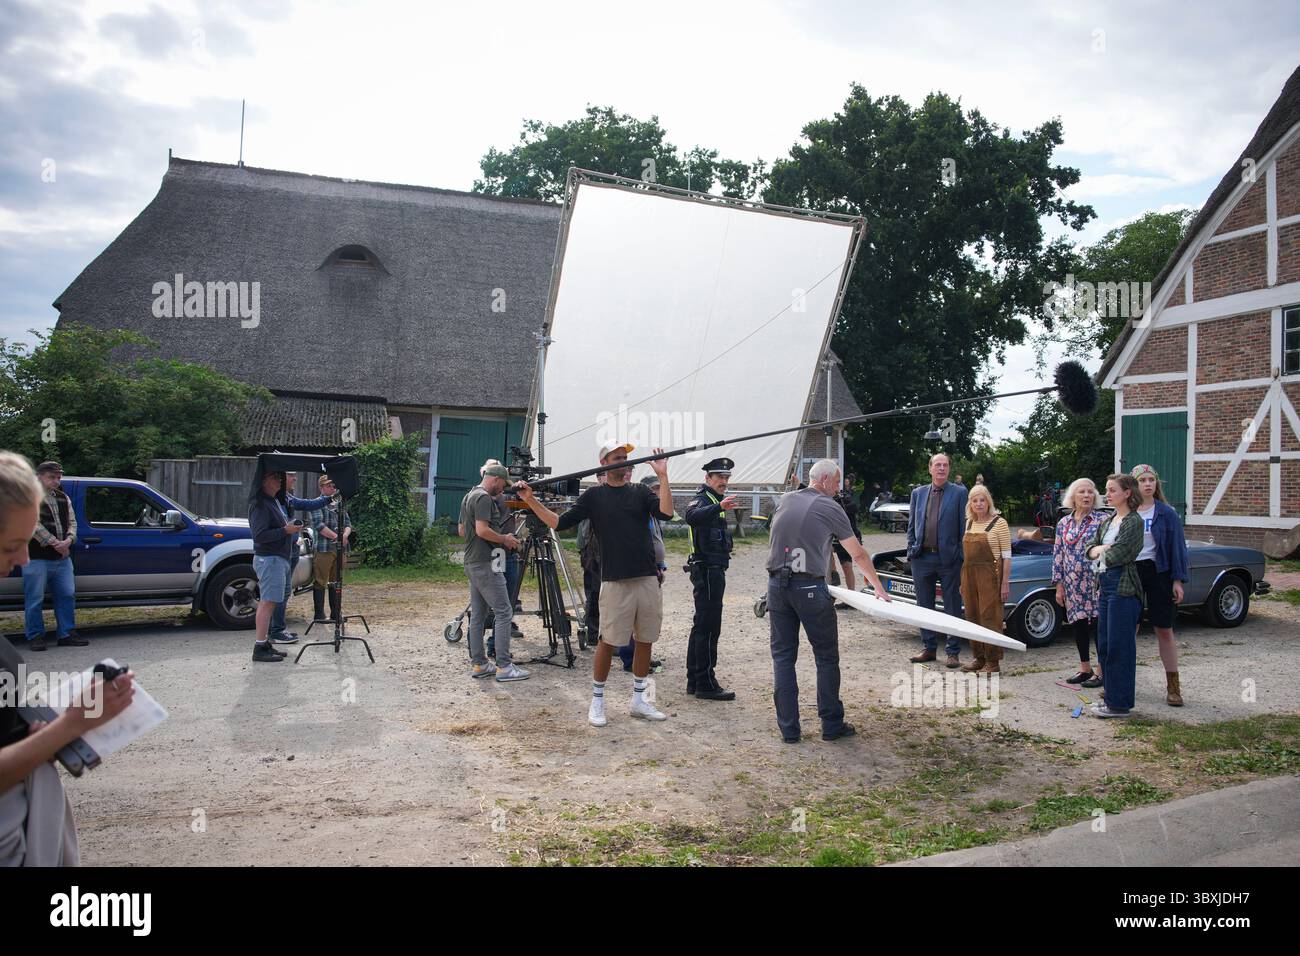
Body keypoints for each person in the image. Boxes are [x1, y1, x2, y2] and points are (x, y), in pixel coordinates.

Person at [1, 451, 135, 865]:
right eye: (13, 545)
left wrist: (41, 729)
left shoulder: (63, 504)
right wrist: (68, 728)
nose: (23, 559)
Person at [515, 442, 674, 727]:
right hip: (614, 581)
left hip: (647, 578)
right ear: (604, 463)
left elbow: (666, 513)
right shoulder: (594, 497)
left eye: (627, 459)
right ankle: (597, 701)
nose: (625, 464)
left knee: (646, 639)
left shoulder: (639, 492)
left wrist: (662, 476)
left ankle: (640, 700)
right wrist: (530, 500)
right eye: (618, 459)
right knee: (608, 641)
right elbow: (558, 522)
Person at [765, 458, 891, 743]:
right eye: (836, 483)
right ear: (823, 481)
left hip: (776, 585)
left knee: (783, 658)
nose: (839, 489)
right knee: (825, 656)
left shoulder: (785, 500)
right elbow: (857, 553)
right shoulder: (829, 506)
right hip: (809, 587)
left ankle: (789, 730)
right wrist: (878, 587)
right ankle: (831, 724)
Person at [459, 461, 529, 682]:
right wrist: (505, 539)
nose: (502, 490)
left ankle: (480, 664)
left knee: (479, 615)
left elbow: (462, 530)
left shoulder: (469, 495)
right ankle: (504, 666)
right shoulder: (483, 498)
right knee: (503, 612)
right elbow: (482, 530)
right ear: (496, 479)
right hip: (485, 563)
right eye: (502, 485)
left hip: (473, 562)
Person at [1130, 464, 1190, 707]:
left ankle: (1173, 686)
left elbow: (1178, 548)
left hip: (1159, 572)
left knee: (1164, 629)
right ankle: (1119, 682)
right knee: (1127, 629)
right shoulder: (1126, 512)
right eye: (1142, 480)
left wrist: (1177, 580)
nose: (1147, 484)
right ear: (1134, 485)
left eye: (1151, 479)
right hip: (1131, 572)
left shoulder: (1167, 513)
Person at [1085, 474, 1144, 718]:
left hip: (1123, 587)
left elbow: (1122, 553)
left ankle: (1120, 704)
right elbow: (1089, 549)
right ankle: (1110, 697)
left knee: (1121, 646)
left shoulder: (1134, 521)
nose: (1107, 495)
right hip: (1106, 585)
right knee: (1106, 644)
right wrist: (1101, 549)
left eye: (1112, 490)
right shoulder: (1108, 521)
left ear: (1127, 492)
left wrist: (1101, 552)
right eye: (1107, 490)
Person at [906, 453, 968, 668]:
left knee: (952, 604)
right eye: (937, 465)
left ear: (949, 469)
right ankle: (929, 648)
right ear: (930, 468)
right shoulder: (918, 493)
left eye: (945, 465)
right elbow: (912, 524)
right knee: (924, 605)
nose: (941, 468)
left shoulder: (960, 493)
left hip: (948, 559)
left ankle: (953, 651)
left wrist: (959, 554)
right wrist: (911, 548)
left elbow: (964, 526)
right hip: (922, 557)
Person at [683, 458, 738, 699]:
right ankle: (705, 683)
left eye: (726, 478)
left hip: (713, 569)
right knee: (708, 626)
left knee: (703, 625)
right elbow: (692, 516)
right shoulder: (704, 499)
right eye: (719, 477)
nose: (724, 481)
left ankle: (696, 679)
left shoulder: (715, 500)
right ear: (708, 479)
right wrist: (719, 508)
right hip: (706, 570)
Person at [22, 461, 86, 652]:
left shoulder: (62, 497)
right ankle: (35, 636)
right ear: (39, 476)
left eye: (58, 477)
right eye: (52, 477)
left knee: (67, 594)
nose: (56, 481)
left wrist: (69, 540)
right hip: (36, 557)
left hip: (62, 558)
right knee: (34, 598)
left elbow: (73, 522)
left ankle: (66, 634)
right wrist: (54, 543)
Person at [266, 473, 330, 645]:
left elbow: (306, 504)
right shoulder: (273, 500)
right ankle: (276, 631)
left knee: (284, 591)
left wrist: (329, 499)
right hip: (280, 551)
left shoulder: (287, 497)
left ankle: (278, 629)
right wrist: (287, 530)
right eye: (290, 476)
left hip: (291, 549)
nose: (295, 479)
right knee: (279, 592)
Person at [1052, 478, 1104, 687]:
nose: (1086, 496)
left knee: (1100, 626)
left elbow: (1108, 550)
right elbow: (1058, 553)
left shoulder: (1102, 520)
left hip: (1095, 582)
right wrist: (1059, 585)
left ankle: (1101, 671)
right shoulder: (1063, 523)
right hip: (1072, 583)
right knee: (1078, 625)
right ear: (1073, 496)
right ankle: (1085, 668)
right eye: (1082, 492)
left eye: (1090, 492)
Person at [248, 470, 303, 662]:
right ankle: (259, 646)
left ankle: (264, 643)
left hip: (277, 558)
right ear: (264, 481)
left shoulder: (272, 501)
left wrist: (287, 529)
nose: (279, 481)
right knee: (267, 602)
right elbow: (260, 535)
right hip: (270, 558)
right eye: (275, 478)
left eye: (280, 478)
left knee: (271, 602)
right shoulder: (260, 504)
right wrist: (285, 530)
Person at [959, 484, 1011, 674]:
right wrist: (962, 581)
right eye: (975, 501)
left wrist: (1004, 583)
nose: (979, 504)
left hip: (991, 576)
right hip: (969, 575)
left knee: (990, 618)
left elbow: (1007, 557)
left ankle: (993, 661)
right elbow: (967, 557)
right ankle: (978, 658)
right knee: (972, 616)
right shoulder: (969, 523)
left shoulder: (1000, 523)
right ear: (970, 504)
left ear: (988, 501)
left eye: (982, 500)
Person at [619, 474, 669, 674]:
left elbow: (656, 540)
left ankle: (642, 657)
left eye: (659, 489)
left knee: (646, 618)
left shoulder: (653, 514)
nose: (658, 493)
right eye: (655, 489)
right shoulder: (639, 513)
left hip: (652, 569)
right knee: (632, 617)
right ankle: (630, 659)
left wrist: (661, 564)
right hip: (641, 571)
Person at [308, 475, 351, 625]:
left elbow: (347, 523)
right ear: (321, 487)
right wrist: (337, 537)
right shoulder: (315, 504)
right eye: (329, 485)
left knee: (337, 581)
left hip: (339, 549)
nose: (332, 488)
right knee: (321, 580)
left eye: (333, 485)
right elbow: (319, 526)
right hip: (324, 549)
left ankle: (335, 613)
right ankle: (319, 614)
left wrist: (345, 535)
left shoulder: (338, 503)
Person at [831, 475, 864, 607]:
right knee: (826, 551)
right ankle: (833, 575)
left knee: (847, 566)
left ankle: (851, 598)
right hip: (835, 536)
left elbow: (853, 509)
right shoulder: (830, 498)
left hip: (847, 536)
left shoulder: (847, 498)